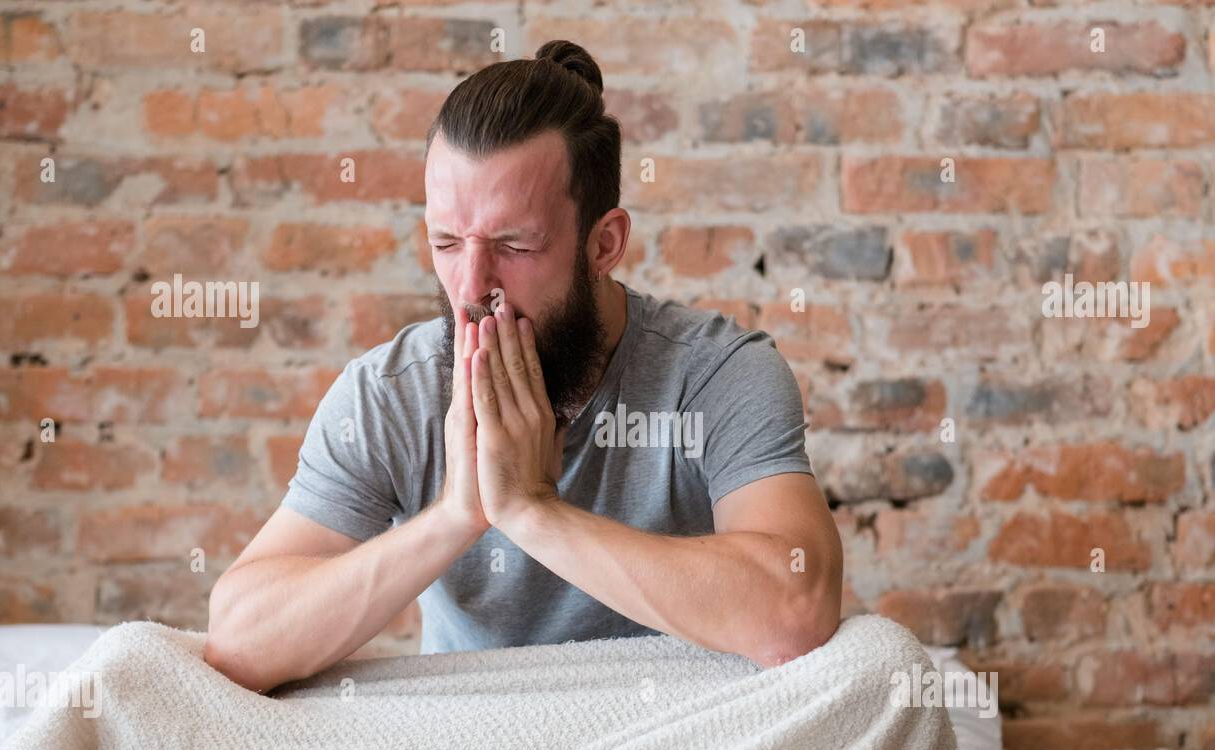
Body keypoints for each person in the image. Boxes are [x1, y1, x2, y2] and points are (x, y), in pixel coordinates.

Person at [205, 40, 843, 692]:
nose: (472, 285)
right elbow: (240, 639)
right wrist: (459, 514)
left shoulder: (719, 374)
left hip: (669, 742)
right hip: (474, 740)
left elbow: (795, 611)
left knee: (879, 674)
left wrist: (534, 511)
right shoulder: (391, 395)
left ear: (605, 244)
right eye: (446, 243)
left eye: (514, 245)